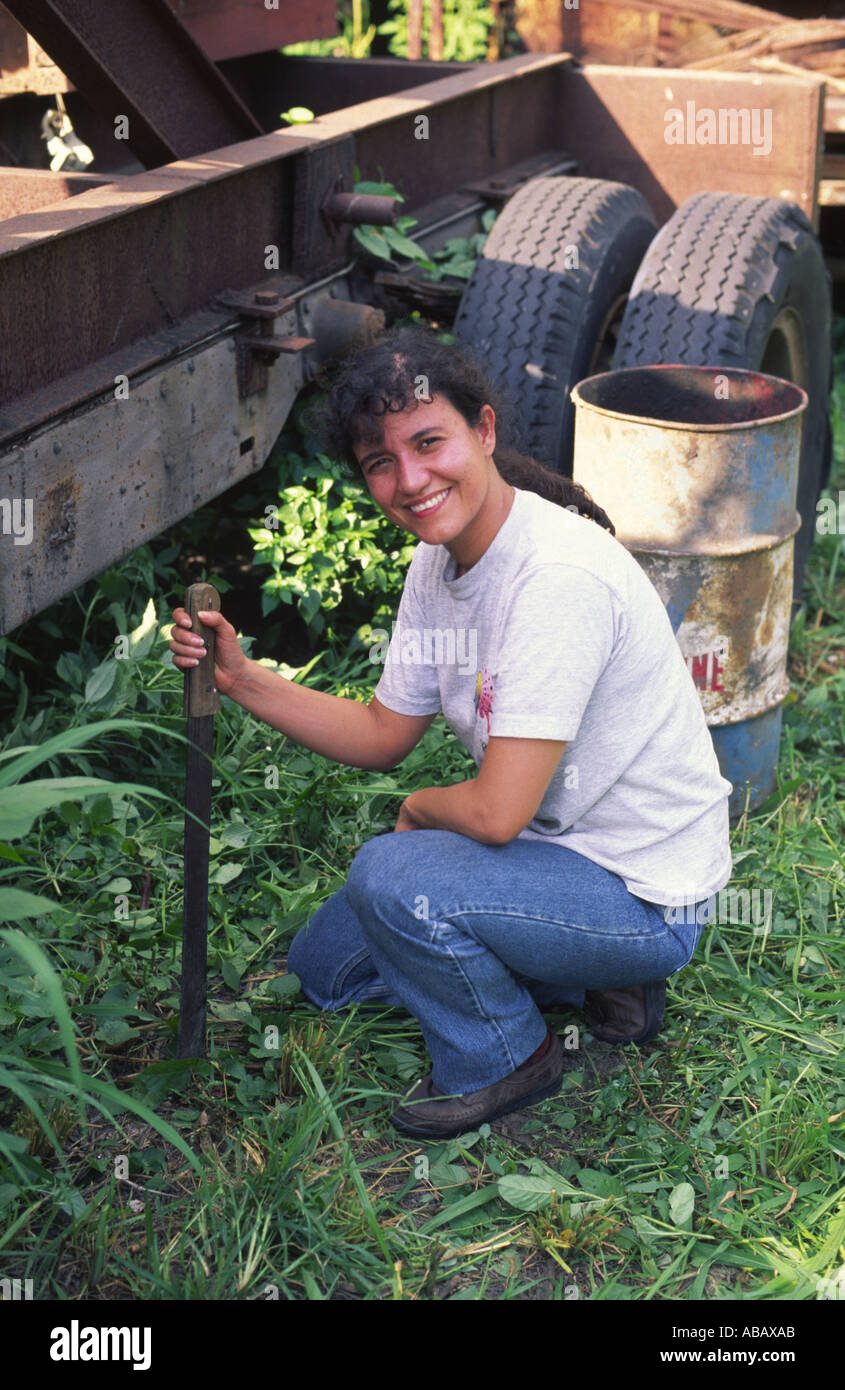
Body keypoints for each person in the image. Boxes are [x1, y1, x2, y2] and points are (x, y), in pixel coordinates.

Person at [169, 326, 732, 1140]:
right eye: (381, 463)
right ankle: (584, 984)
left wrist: (417, 810)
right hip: (552, 855)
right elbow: (381, 731)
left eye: (430, 443)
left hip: (639, 894)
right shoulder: (439, 564)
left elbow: (494, 814)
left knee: (393, 877)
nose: (411, 480)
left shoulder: (554, 581)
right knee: (325, 968)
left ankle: (506, 1054)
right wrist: (243, 677)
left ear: (486, 431)